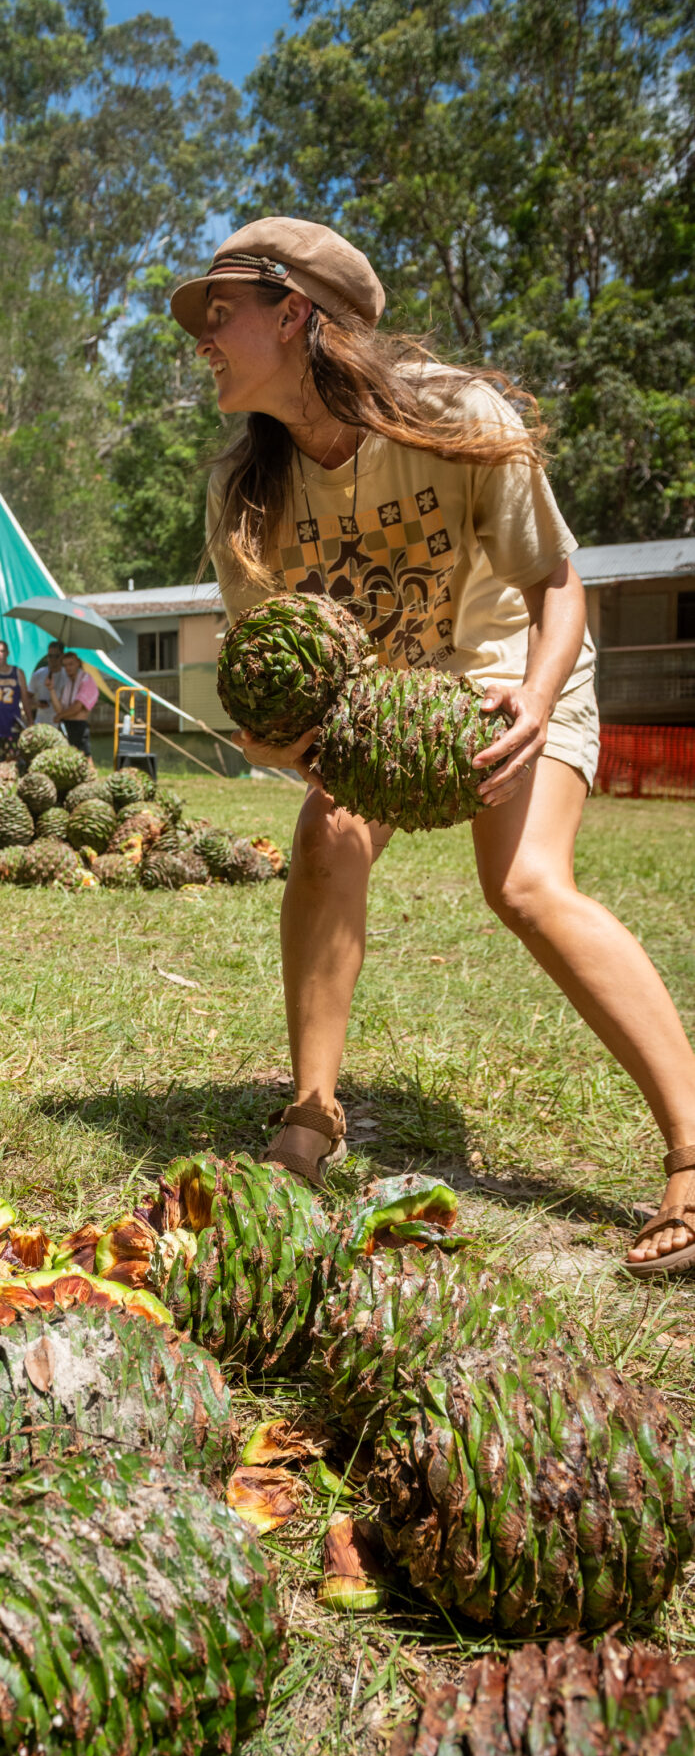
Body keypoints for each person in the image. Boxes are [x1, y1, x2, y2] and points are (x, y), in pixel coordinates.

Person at [170, 215, 695, 1276]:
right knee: (327, 837)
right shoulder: (247, 492)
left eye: (220, 312)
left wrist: (538, 702)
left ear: (298, 316)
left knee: (526, 884)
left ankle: (691, 1151)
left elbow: (554, 582)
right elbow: (269, 668)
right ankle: (312, 1115)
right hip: (380, 707)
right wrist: (301, 747)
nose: (201, 337)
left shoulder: (453, 416)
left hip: (511, 674)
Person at [52, 651, 99, 755]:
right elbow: (59, 708)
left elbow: (77, 707)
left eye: (71, 664)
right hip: (66, 725)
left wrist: (60, 716)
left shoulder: (86, 679)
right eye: (65, 665)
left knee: (84, 758)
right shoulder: (68, 683)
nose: (68, 668)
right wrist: (51, 690)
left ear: (78, 663)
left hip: (79, 726)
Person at [29, 641, 66, 728]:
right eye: (50, 656)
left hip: (60, 725)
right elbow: (27, 698)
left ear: (62, 656)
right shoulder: (39, 674)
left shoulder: (67, 676)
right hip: (40, 724)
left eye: (56, 656)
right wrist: (37, 703)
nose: (52, 659)